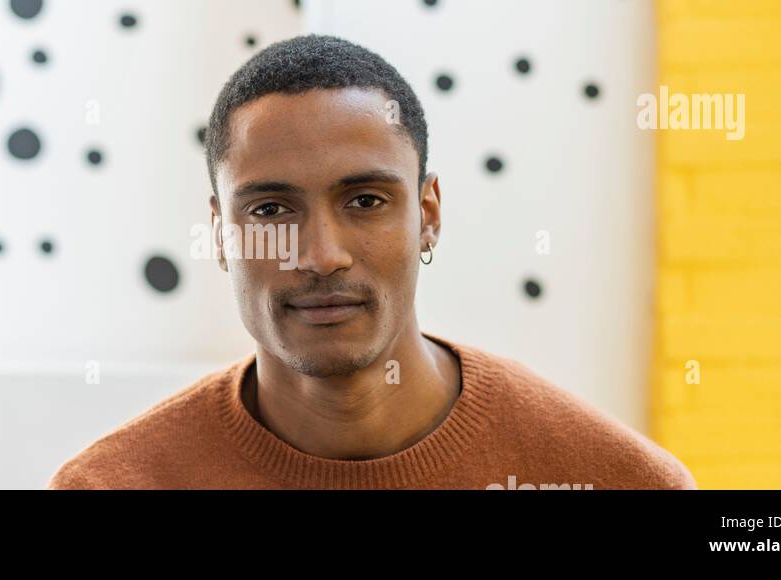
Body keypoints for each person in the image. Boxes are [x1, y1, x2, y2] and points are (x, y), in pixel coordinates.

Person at [48, 34, 696, 490]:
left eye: (365, 199)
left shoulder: (616, 481)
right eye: (271, 210)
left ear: (428, 214)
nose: (322, 255)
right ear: (221, 234)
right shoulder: (110, 485)